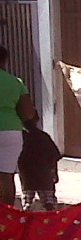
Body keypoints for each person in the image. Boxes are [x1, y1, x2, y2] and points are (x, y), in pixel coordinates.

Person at [0, 45, 37, 206]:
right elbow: (28, 113)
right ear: (5, 60)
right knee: (7, 178)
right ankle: (7, 216)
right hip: (10, 132)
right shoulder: (15, 82)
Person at [18, 118, 61, 210]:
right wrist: (55, 173)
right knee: (48, 202)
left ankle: (26, 217)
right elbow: (54, 157)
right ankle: (50, 216)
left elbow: (17, 158)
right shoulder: (44, 136)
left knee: (28, 203)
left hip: (28, 175)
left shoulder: (21, 138)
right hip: (44, 174)